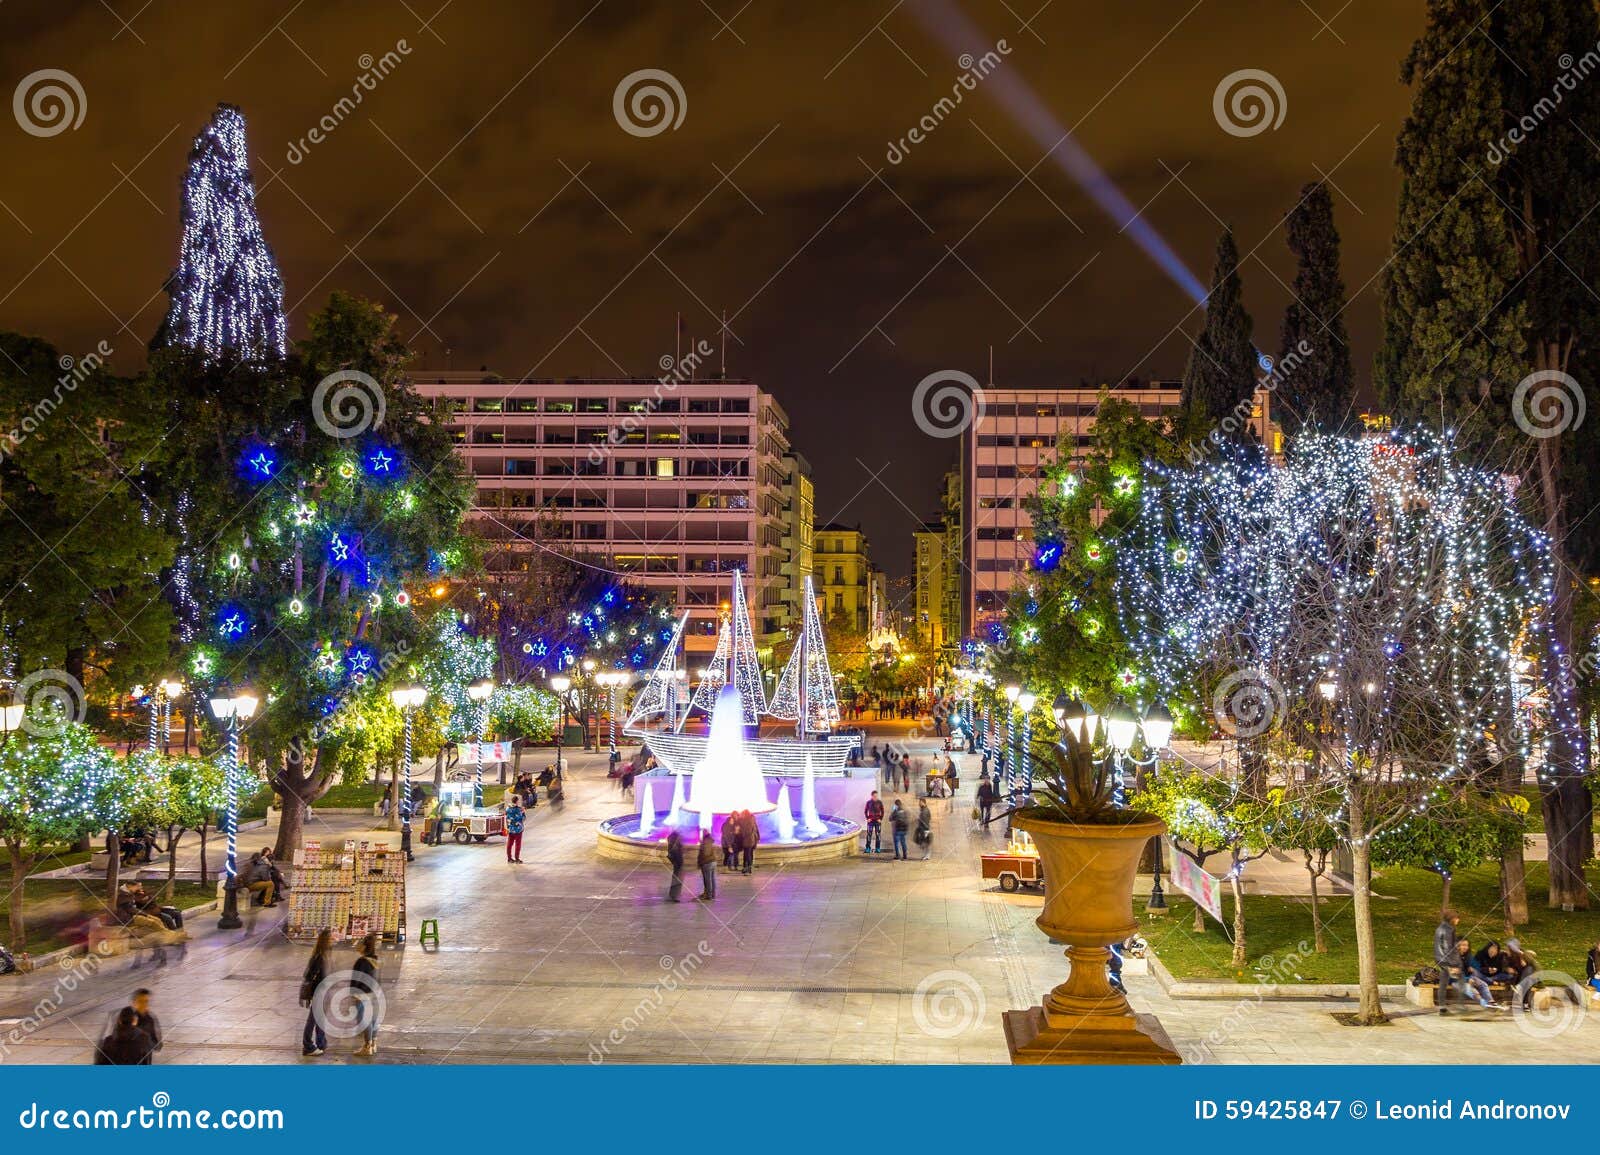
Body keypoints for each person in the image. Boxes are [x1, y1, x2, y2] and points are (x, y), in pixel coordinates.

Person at [299, 930, 332, 1056]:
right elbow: (309, 976)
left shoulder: (323, 955)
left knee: (320, 1020)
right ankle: (307, 1046)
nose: (332, 940)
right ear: (325, 941)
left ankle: (321, 1043)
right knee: (312, 1020)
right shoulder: (318, 957)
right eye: (330, 939)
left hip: (322, 993)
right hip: (318, 993)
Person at [352, 934, 383, 1056]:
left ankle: (367, 1046)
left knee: (364, 1021)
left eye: (359, 944)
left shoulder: (361, 961)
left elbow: (356, 979)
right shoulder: (376, 960)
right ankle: (374, 1043)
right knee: (373, 1019)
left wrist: (354, 993)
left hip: (363, 995)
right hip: (375, 993)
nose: (357, 946)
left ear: (364, 946)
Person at [1455, 940, 1500, 1009]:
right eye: (1463, 945)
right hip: (1457, 980)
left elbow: (1477, 968)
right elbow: (1455, 975)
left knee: (1483, 984)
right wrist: (1468, 979)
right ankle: (1485, 1004)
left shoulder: (1467, 956)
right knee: (1472, 991)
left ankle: (1491, 1002)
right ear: (1457, 946)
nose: (1466, 947)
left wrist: (1486, 969)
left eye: (1467, 945)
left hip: (1470, 977)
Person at [1433, 909, 1461, 1013]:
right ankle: (1459, 1005)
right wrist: (1453, 964)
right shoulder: (1449, 929)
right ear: (1452, 919)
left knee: (1443, 983)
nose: (1458, 920)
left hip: (1439, 958)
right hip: (1446, 960)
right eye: (1457, 918)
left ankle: (1442, 1007)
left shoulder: (1440, 928)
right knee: (1460, 980)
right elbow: (1447, 948)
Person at [129, 988, 162, 1057]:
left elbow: (156, 1045)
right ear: (134, 1002)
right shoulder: (127, 1017)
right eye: (140, 1001)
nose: (144, 1004)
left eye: (146, 1001)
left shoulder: (150, 1019)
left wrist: (152, 1042)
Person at [696, 830, 717, 901]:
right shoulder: (710, 840)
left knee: (707, 880)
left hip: (707, 862)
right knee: (712, 879)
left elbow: (706, 853)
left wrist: (701, 861)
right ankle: (712, 894)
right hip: (712, 861)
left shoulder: (706, 841)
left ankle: (708, 895)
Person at [505, 794, 526, 863]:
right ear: (517, 801)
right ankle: (517, 858)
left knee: (509, 844)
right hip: (518, 829)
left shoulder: (507, 808)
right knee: (518, 844)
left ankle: (509, 858)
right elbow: (522, 819)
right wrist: (523, 812)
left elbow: (507, 817)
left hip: (510, 828)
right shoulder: (518, 809)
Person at [665, 830, 685, 902]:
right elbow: (678, 854)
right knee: (678, 879)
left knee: (675, 878)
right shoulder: (676, 845)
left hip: (676, 863)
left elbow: (671, 854)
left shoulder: (671, 843)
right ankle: (675, 896)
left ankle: (673, 895)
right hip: (678, 863)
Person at [739, 810, 760, 874]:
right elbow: (756, 828)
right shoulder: (752, 819)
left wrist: (740, 832)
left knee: (747, 854)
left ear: (745, 814)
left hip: (748, 840)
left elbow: (747, 831)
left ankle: (748, 868)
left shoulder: (748, 820)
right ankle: (747, 867)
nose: (741, 815)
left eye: (742, 814)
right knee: (749, 854)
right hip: (752, 840)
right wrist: (758, 837)